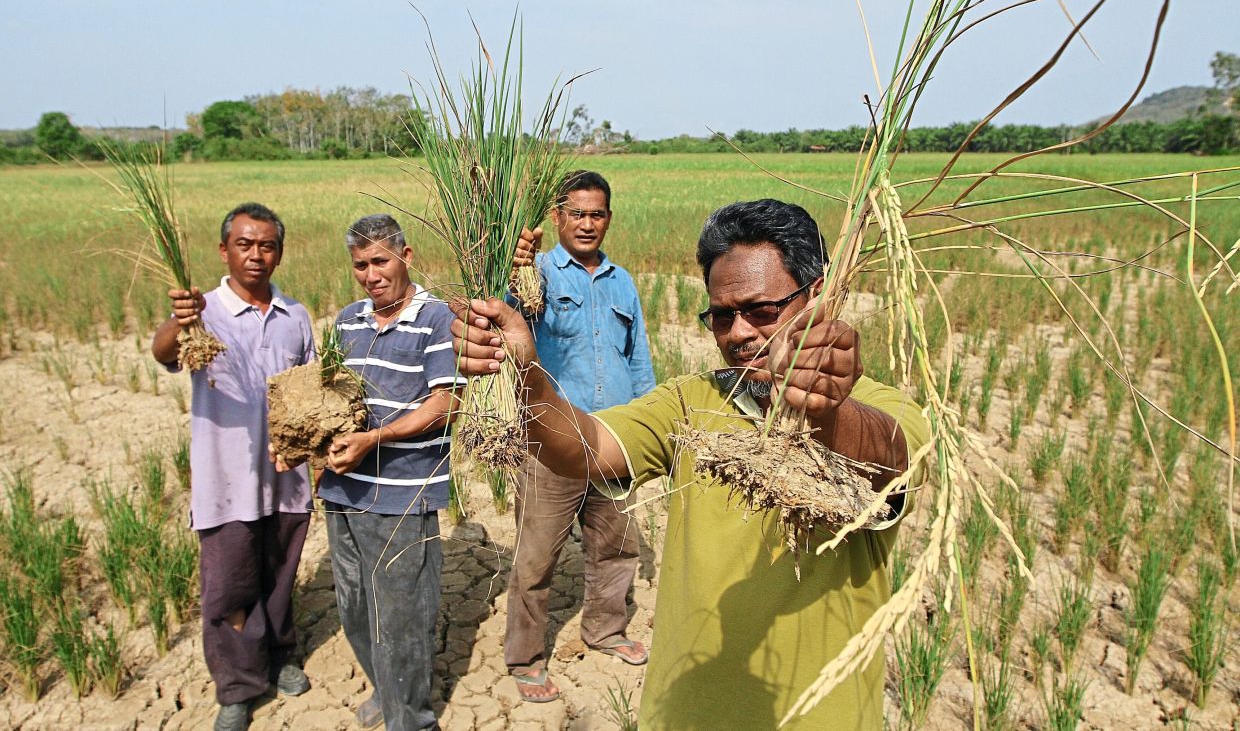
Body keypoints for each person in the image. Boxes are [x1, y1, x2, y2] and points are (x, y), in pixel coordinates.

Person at [452, 199, 929, 730]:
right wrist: (525, 372)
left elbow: (887, 465)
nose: (740, 333)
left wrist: (824, 410)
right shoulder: (691, 402)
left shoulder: (884, 412)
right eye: (722, 316)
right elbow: (586, 446)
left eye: (761, 310)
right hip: (681, 714)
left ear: (817, 295)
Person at [151, 202, 315, 731]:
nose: (255, 255)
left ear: (280, 253)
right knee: (229, 584)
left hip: (287, 479)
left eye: (266, 245)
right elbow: (163, 353)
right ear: (224, 250)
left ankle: (281, 657)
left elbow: (311, 389)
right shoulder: (202, 313)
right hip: (226, 481)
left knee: (280, 573)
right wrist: (179, 322)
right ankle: (238, 687)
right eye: (244, 244)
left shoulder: (296, 315)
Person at [505, 170, 656, 702]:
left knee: (614, 547)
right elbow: (509, 320)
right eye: (577, 214)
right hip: (553, 440)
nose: (588, 224)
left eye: (597, 214)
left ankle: (606, 630)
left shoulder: (622, 281)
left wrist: (647, 424)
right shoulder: (536, 271)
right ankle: (525, 658)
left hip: (615, 435)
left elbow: (637, 356)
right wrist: (517, 266)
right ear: (558, 217)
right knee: (536, 556)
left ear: (608, 218)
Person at [311, 214, 464, 731]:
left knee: (400, 618)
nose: (371, 274)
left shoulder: (437, 318)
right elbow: (330, 398)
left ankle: (412, 718)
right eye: (360, 265)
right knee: (355, 607)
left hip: (402, 494)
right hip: (342, 490)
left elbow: (445, 402)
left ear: (407, 256)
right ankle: (387, 689)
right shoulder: (347, 321)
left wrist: (375, 439)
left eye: (380, 261)